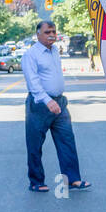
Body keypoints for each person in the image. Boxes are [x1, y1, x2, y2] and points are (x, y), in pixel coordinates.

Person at [22, 20, 91, 193]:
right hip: (40, 105)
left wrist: (57, 99)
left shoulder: (54, 51)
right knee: (35, 144)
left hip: (60, 103)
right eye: (47, 32)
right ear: (38, 34)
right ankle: (36, 182)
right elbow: (33, 82)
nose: (51, 34)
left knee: (67, 140)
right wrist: (48, 100)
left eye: (53, 31)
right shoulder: (31, 55)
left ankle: (73, 179)